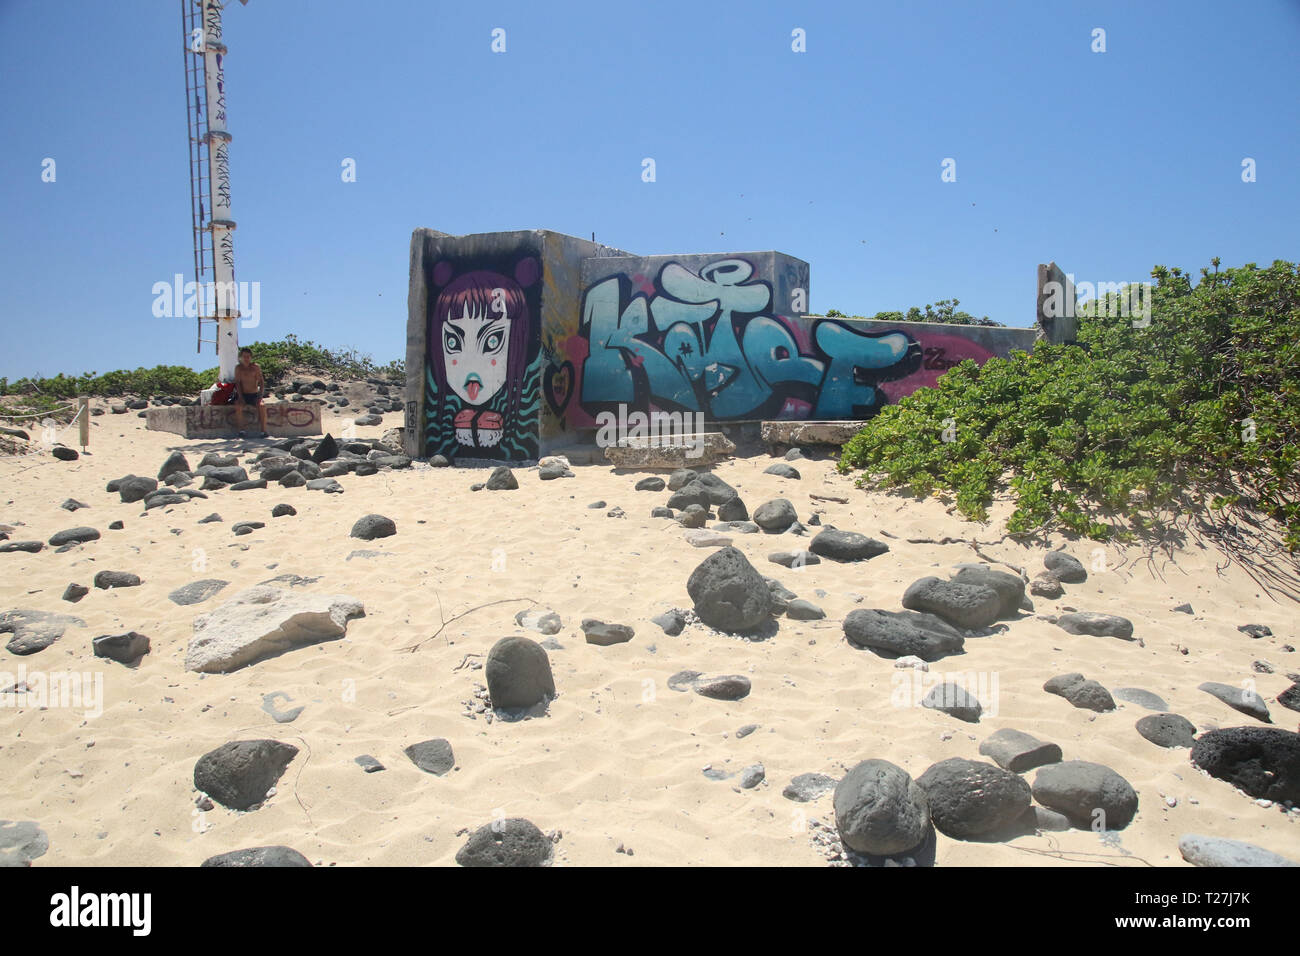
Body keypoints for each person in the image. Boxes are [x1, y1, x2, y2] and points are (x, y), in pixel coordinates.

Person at [232, 347, 268, 438]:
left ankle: (263, 431)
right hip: (243, 394)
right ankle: (241, 430)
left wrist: (260, 396)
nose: (246, 358)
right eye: (244, 356)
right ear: (241, 357)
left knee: (262, 406)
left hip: (254, 394)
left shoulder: (255, 367)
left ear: (251, 357)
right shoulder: (238, 368)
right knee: (238, 406)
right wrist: (240, 397)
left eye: (248, 356)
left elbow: (261, 382)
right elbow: (238, 383)